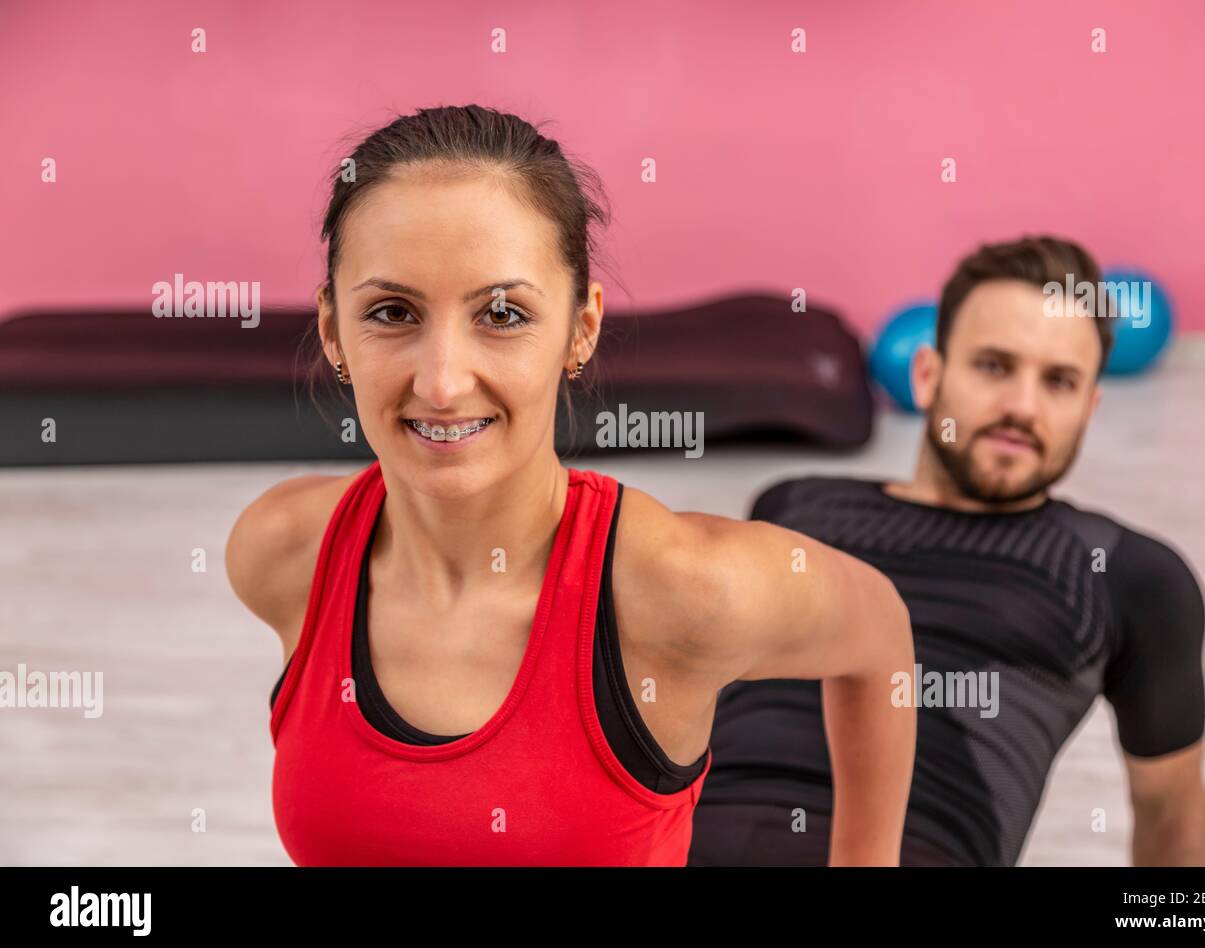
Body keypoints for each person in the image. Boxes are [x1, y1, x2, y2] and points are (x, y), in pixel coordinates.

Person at [224, 105, 915, 866]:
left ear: (580, 330)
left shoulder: (678, 590)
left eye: (502, 313)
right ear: (333, 333)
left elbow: (878, 628)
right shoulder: (283, 550)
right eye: (393, 312)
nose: (444, 382)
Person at [688, 236, 1205, 867]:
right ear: (928, 375)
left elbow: (1169, 813)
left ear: (1089, 408)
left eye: (1059, 382)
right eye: (994, 366)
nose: (1022, 406)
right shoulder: (795, 508)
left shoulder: (1127, 576)